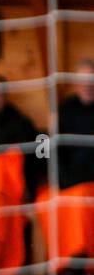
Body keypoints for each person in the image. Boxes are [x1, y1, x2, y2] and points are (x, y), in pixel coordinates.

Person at [58, 58, 94, 190]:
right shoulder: (64, 110)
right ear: (75, 84)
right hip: (72, 180)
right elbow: (52, 150)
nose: (87, 86)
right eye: (82, 81)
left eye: (91, 80)